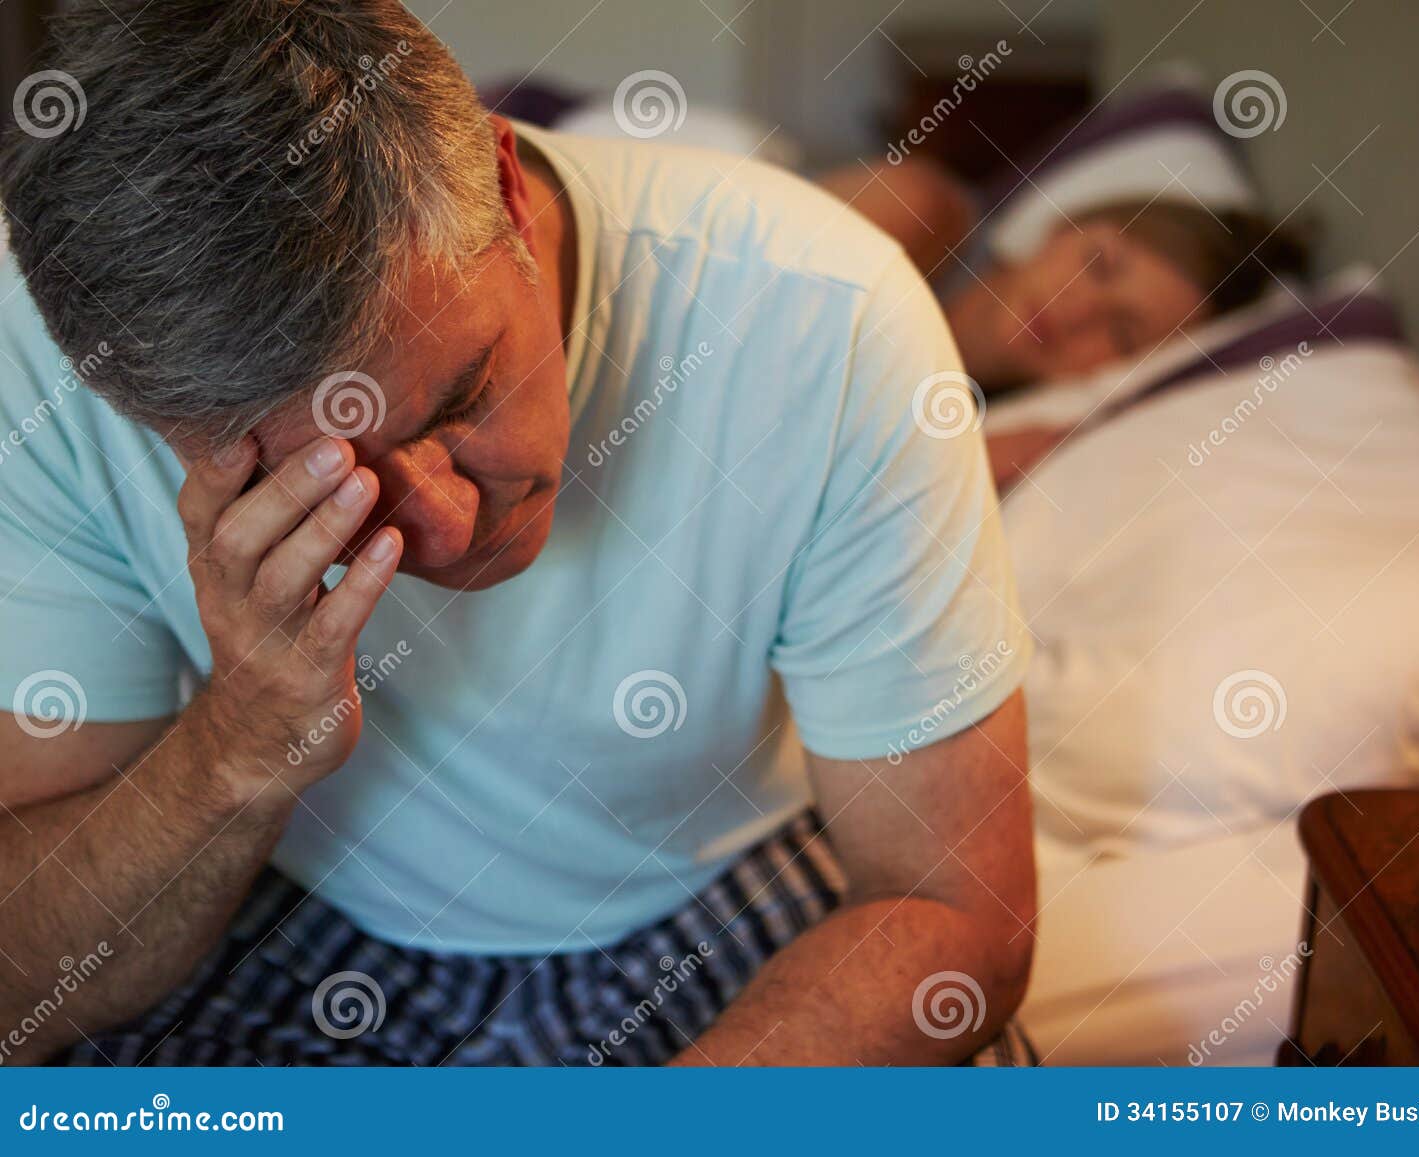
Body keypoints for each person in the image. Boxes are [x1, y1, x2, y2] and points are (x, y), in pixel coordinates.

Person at [0, 1, 1034, 1066]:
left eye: (463, 393)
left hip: (710, 882)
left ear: (505, 186)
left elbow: (956, 907)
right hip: (290, 899)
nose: (447, 527)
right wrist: (239, 748)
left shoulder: (823, 312)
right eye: (322, 483)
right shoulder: (40, 359)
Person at [821, 160, 1308, 490]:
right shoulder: (917, 215)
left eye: (1122, 333)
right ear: (1066, 226)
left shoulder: (1002, 432)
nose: (1074, 310)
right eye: (1097, 263)